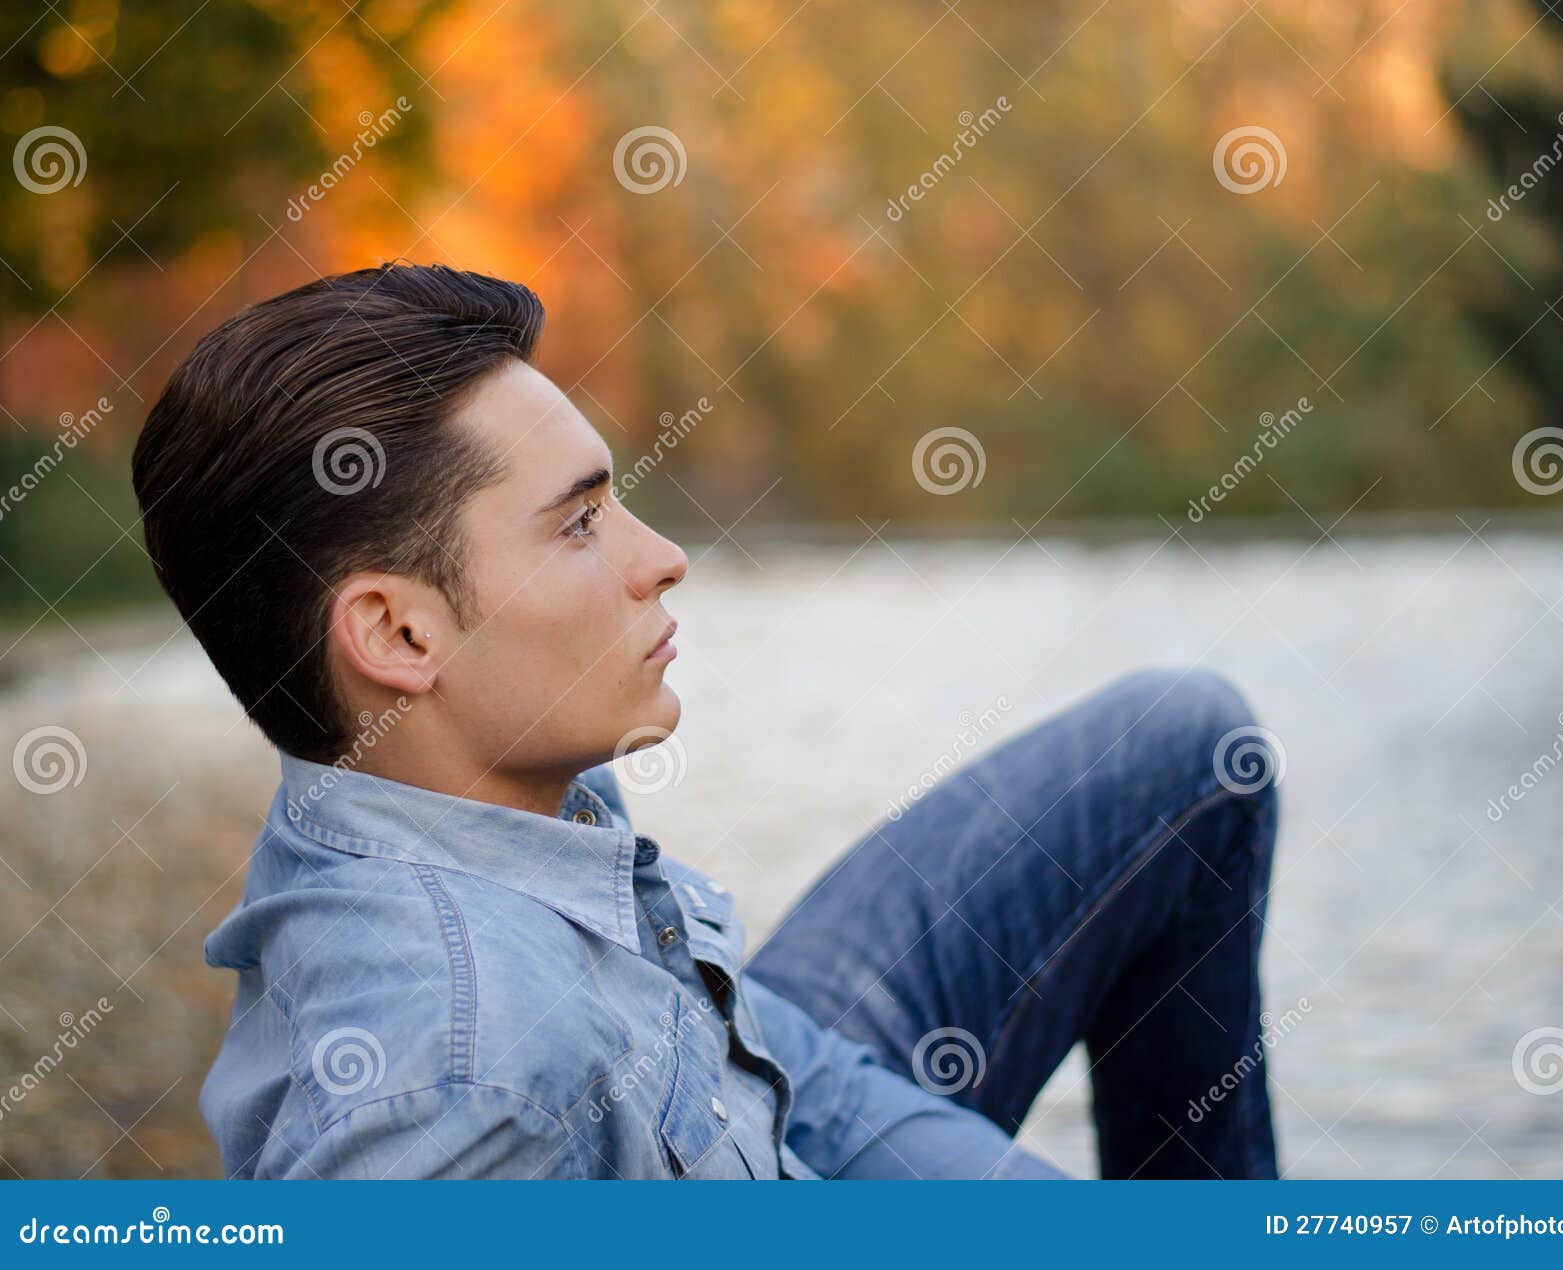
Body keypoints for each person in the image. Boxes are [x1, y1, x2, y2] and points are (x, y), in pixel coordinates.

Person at [131, 261, 1280, 1179]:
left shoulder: (481, 770)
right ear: (398, 637)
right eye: (578, 525)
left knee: (1179, 749)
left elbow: (778, 1061)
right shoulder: (457, 1082)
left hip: (742, 1095)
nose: (664, 559)